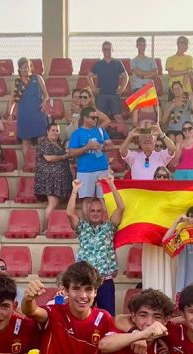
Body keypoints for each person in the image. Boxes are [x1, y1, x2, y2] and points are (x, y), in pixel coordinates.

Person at [21, 261, 114, 354]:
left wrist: (137, 334)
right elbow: (31, 311)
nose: (83, 296)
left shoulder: (104, 319)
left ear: (96, 292)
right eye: (76, 289)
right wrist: (28, 298)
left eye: (88, 289)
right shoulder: (55, 312)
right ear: (65, 290)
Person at [65, 175, 124, 314]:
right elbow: (69, 212)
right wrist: (74, 190)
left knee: (108, 317)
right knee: (82, 317)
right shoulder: (81, 227)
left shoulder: (110, 227)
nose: (95, 213)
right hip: (84, 282)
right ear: (88, 212)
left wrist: (111, 185)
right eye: (92, 211)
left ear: (103, 212)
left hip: (105, 282)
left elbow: (121, 207)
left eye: (98, 211)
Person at [66, 107, 114, 200]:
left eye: (97, 117)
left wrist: (101, 147)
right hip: (85, 171)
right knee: (86, 200)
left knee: (104, 199)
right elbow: (71, 153)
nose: (96, 120)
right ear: (85, 118)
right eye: (93, 117)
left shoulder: (100, 130)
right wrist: (86, 147)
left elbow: (111, 146)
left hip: (102, 170)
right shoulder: (77, 133)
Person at [9, 57, 49, 167]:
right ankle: (28, 163)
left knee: (41, 138)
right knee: (25, 140)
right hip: (24, 114)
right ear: (20, 69)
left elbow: (46, 95)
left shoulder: (38, 78)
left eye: (28, 66)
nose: (27, 69)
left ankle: (42, 163)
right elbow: (12, 100)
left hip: (38, 113)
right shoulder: (16, 82)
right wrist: (10, 113)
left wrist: (45, 102)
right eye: (24, 67)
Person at [34, 122, 72, 222]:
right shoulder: (44, 142)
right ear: (47, 131)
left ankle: (52, 225)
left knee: (56, 204)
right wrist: (64, 156)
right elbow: (49, 158)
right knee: (53, 203)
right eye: (53, 130)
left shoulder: (58, 143)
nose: (55, 132)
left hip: (60, 179)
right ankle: (46, 228)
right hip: (50, 179)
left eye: (57, 131)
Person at [90, 43, 127, 120]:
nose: (107, 51)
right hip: (101, 95)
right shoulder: (98, 63)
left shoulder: (118, 63)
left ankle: (121, 132)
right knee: (100, 118)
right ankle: (100, 132)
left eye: (109, 49)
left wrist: (122, 88)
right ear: (102, 50)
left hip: (114, 94)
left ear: (112, 50)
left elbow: (126, 76)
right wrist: (92, 87)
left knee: (118, 117)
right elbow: (88, 76)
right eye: (105, 49)